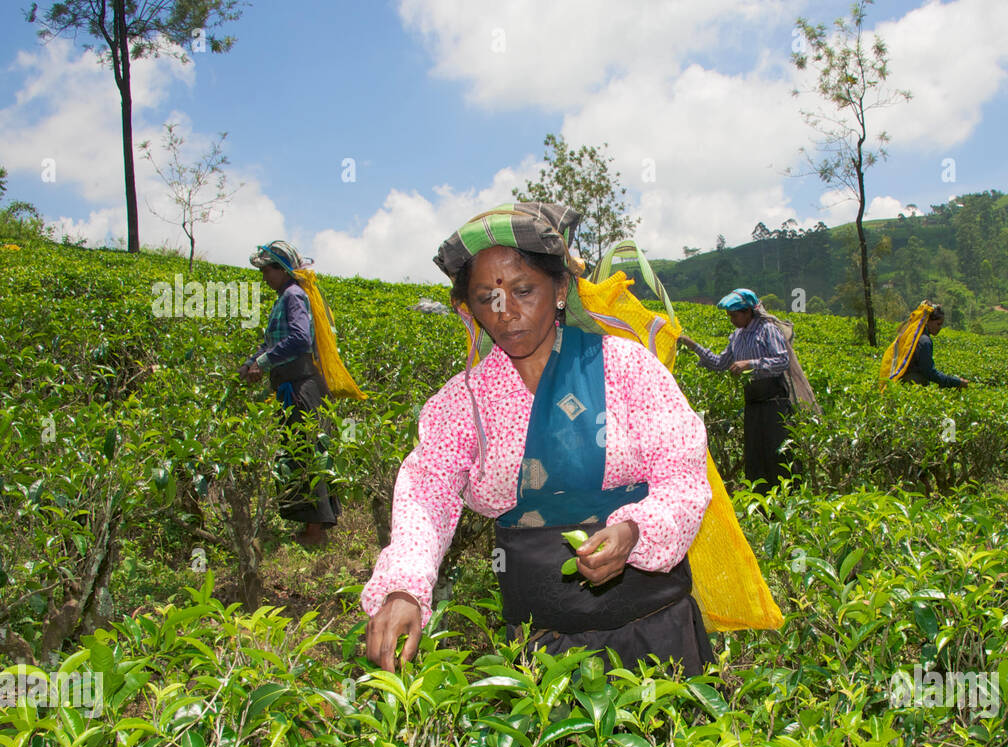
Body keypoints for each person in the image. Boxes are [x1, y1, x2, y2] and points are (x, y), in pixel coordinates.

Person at [360, 203, 714, 676]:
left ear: (561, 289)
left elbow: (682, 476)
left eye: (524, 290)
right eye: (487, 298)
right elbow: (428, 490)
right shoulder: (465, 402)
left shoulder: (625, 367)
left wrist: (634, 532)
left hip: (652, 631)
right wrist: (404, 588)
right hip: (541, 646)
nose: (506, 313)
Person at [240, 240, 341, 547]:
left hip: (301, 387)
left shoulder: (293, 295)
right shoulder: (284, 297)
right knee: (300, 452)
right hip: (292, 387)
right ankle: (314, 526)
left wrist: (264, 362)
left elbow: (298, 338)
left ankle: (315, 531)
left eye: (267, 269)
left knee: (305, 455)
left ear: (280, 270)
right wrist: (251, 363)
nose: (263, 276)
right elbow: (272, 342)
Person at [678, 289, 792, 494]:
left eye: (734, 315)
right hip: (753, 401)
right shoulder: (737, 337)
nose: (731, 320)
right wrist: (693, 346)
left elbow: (782, 360)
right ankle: (761, 500)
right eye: (729, 316)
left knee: (776, 451)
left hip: (774, 401)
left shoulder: (768, 330)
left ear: (748, 311)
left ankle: (785, 497)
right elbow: (720, 363)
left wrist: (751, 364)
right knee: (755, 452)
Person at [891, 302, 968, 389]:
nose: (940, 328)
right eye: (938, 324)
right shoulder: (924, 341)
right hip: (912, 386)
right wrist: (956, 382)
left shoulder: (913, 337)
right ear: (927, 321)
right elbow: (929, 372)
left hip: (901, 383)